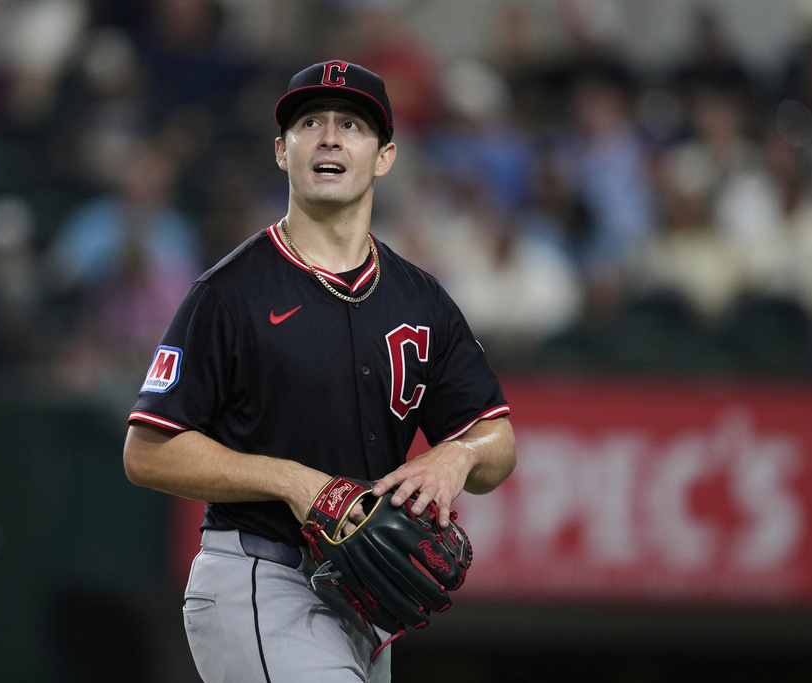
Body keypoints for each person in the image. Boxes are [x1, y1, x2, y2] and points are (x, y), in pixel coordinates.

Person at [122, 60, 516, 682]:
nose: (330, 137)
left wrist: (458, 456)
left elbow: (498, 442)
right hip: (261, 577)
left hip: (366, 602)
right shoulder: (229, 293)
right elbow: (147, 452)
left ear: (384, 157)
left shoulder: (421, 299)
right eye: (310, 123)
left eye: (351, 125)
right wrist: (293, 481)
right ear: (283, 151)